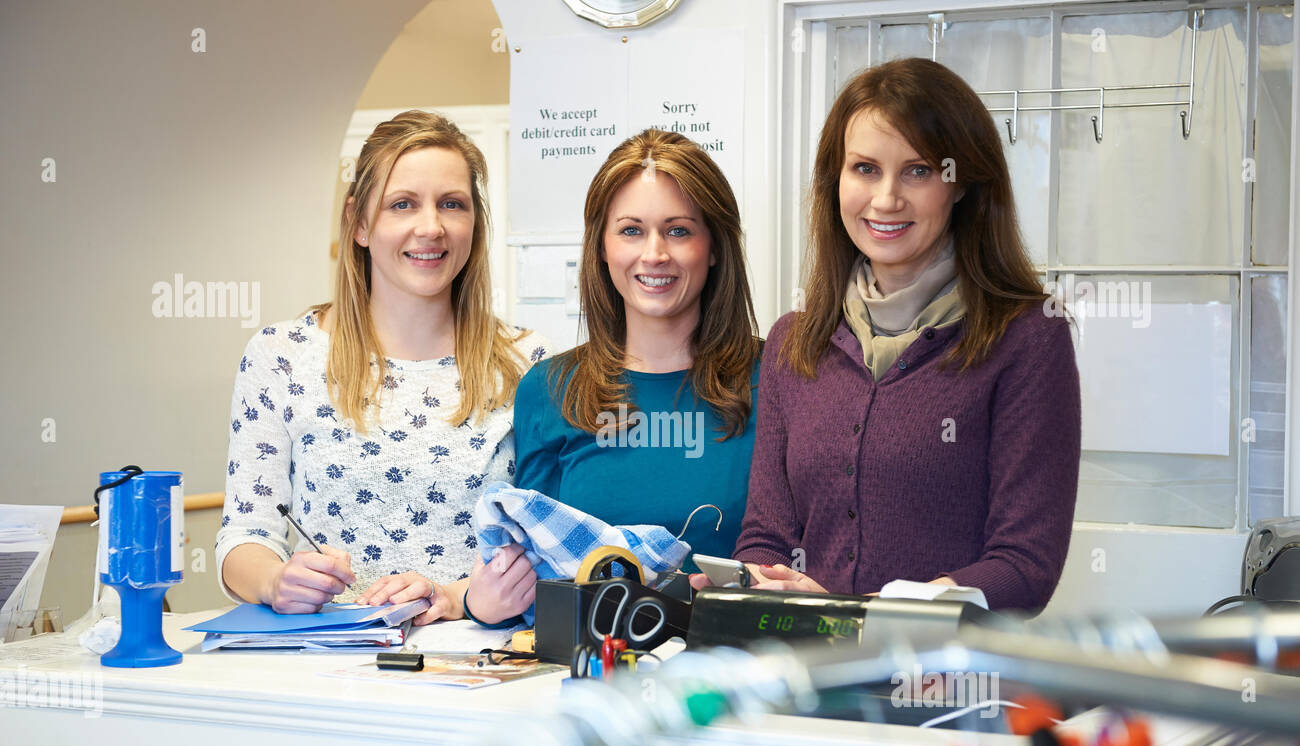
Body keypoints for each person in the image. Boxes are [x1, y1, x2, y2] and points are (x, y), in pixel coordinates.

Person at [728, 58, 1081, 612]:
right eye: (865, 168)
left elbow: (1024, 566)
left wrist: (864, 614)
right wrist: (747, 584)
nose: (887, 198)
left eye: (918, 171)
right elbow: (767, 538)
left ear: (961, 183)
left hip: (947, 687)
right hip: (804, 682)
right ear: (834, 179)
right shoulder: (792, 343)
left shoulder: (1029, 339)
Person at [217, 110, 546, 626]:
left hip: (476, 669)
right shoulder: (280, 356)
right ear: (360, 223)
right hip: (323, 668)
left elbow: (548, 545)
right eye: (403, 204)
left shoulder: (530, 364)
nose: (431, 226)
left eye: (452, 204)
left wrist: (456, 596)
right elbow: (245, 536)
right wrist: (275, 581)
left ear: (474, 223)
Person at [513, 129, 762, 568]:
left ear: (714, 248)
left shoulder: (775, 379)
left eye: (678, 231)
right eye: (631, 230)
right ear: (602, 248)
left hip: (731, 636)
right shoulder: (548, 389)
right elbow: (532, 572)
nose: (654, 254)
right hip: (591, 637)